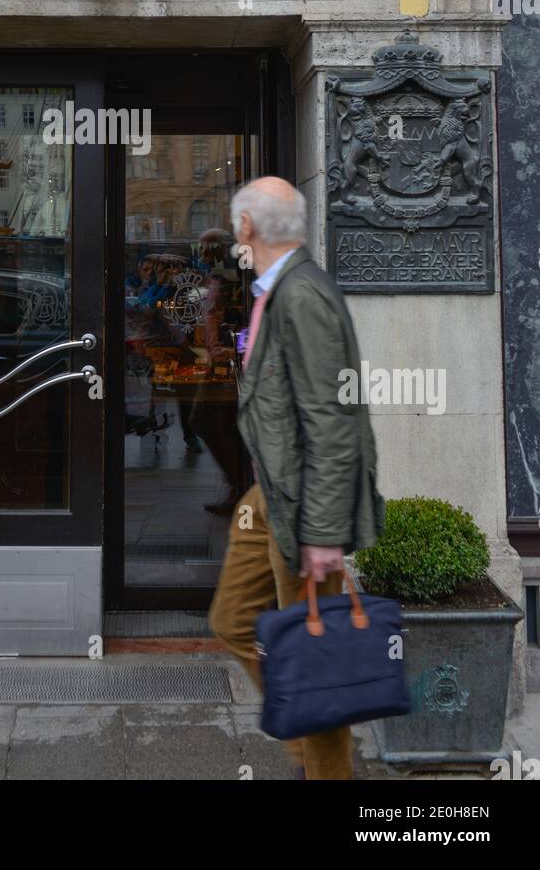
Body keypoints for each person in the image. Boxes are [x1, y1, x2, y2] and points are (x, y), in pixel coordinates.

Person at [209, 176, 385, 781]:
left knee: (315, 651)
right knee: (234, 621)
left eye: (236, 223)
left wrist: (323, 532)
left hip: (306, 503)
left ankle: (325, 765)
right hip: (272, 494)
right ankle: (307, 736)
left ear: (247, 228)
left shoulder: (302, 296)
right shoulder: (278, 289)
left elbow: (333, 424)